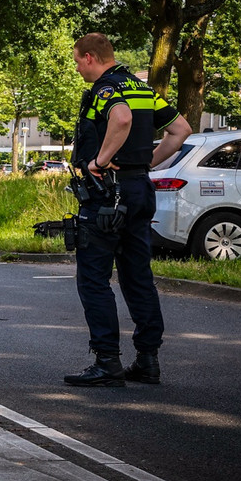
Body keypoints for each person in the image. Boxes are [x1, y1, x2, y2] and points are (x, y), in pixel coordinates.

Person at [64, 33, 190, 386]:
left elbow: (120, 119)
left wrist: (99, 161)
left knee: (93, 279)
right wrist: (147, 162)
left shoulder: (107, 90)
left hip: (107, 195)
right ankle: (147, 360)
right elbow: (180, 130)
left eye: (77, 61)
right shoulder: (142, 88)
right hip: (139, 190)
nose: (77, 68)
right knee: (138, 277)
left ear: (90, 57)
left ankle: (107, 363)